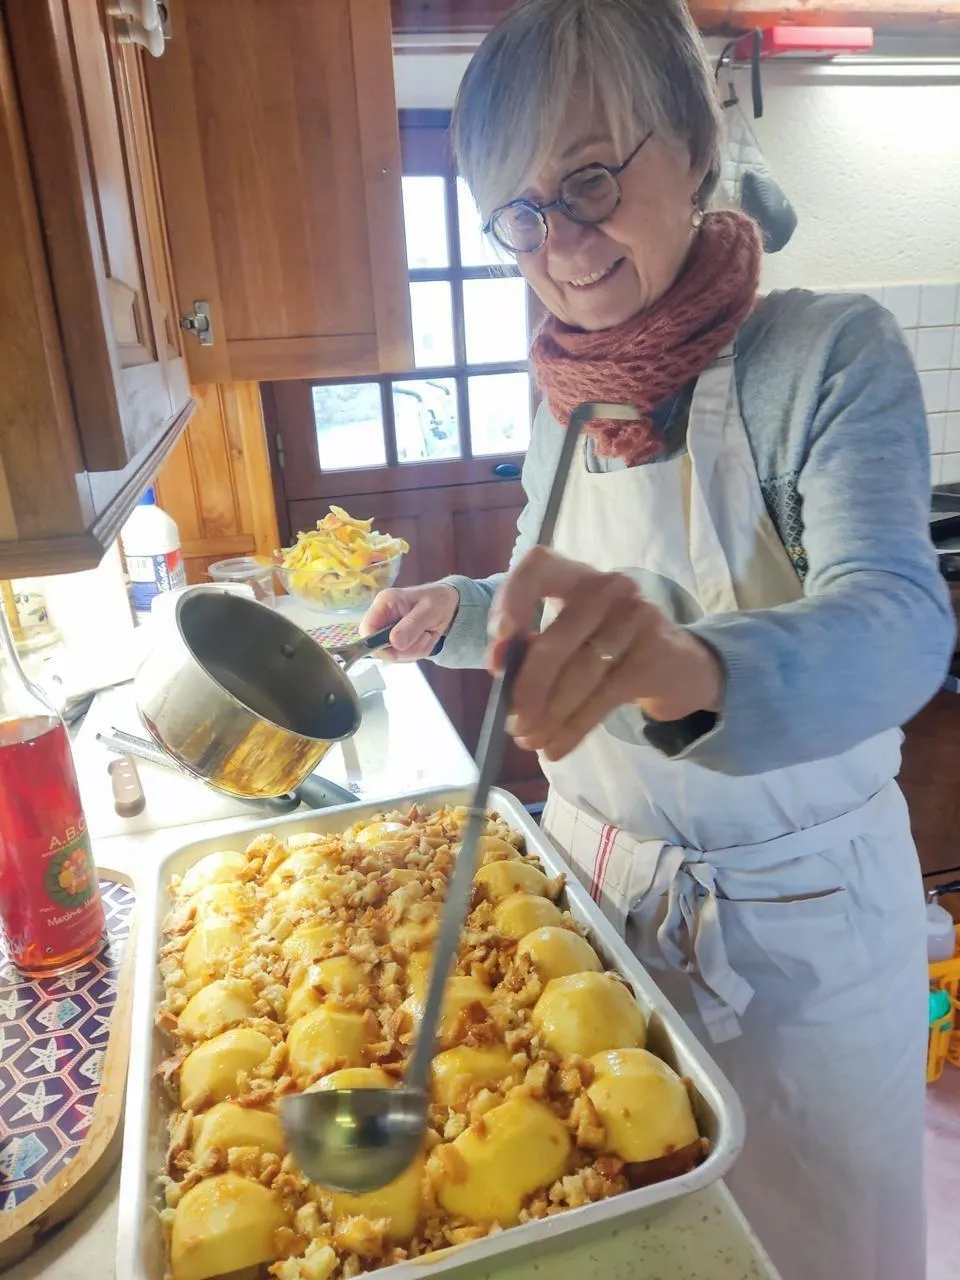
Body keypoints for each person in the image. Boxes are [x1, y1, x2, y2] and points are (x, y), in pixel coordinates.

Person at [361, 3, 955, 1276]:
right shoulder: (565, 398)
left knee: (812, 1249)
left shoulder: (822, 354)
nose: (561, 244)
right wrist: (458, 610)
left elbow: (904, 623)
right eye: (520, 213)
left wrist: (694, 665)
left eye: (588, 178)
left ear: (694, 144)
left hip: (792, 940)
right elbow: (560, 603)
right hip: (599, 913)